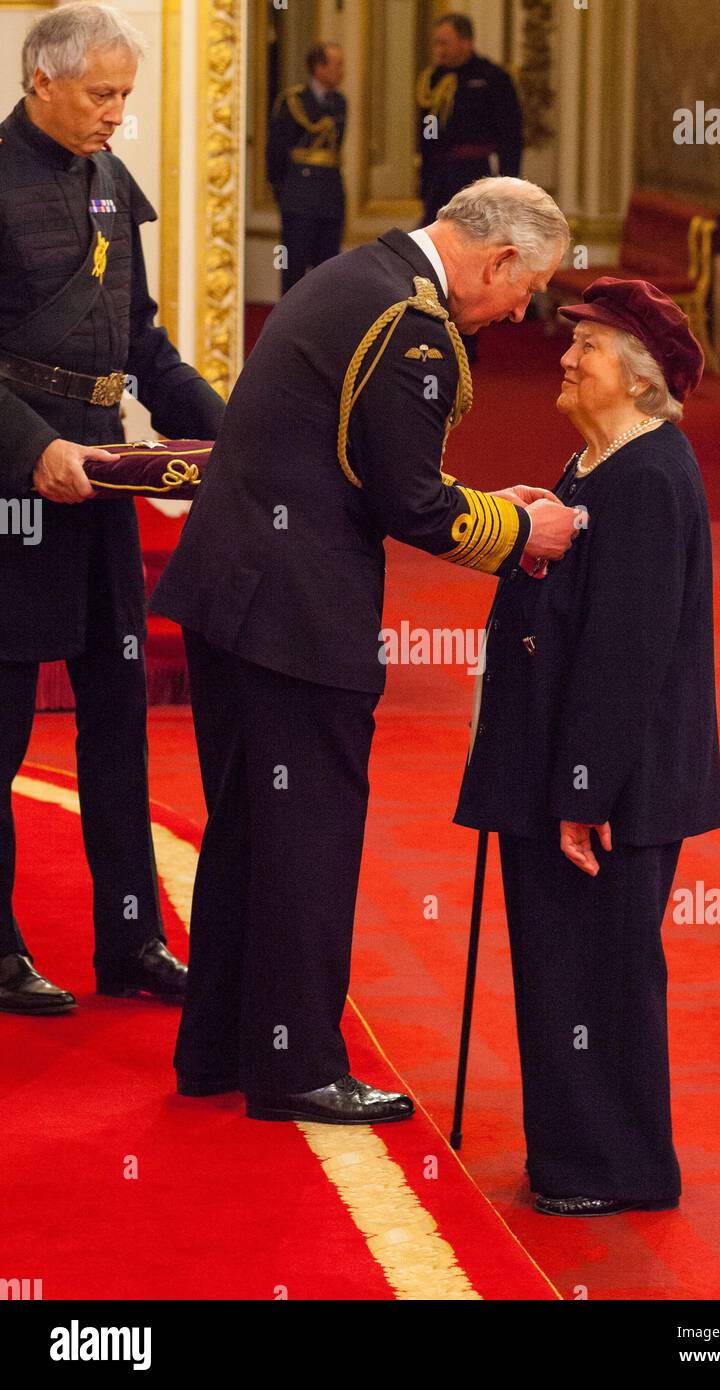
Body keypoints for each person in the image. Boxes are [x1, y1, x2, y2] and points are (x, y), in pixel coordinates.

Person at [150, 178, 579, 1124]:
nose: (521, 311)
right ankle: (298, 1067)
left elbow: (372, 459)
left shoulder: (362, 273)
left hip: (234, 595)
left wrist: (486, 503)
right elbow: (410, 504)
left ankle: (219, 1046)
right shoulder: (414, 325)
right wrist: (518, 537)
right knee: (308, 842)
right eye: (528, 288)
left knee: (248, 835)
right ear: (499, 257)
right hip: (293, 617)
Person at [455, 278, 720, 1215]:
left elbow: (626, 657)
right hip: (571, 775)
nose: (566, 360)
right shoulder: (594, 463)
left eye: (591, 349)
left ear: (641, 381)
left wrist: (581, 795)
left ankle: (614, 1167)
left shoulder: (648, 477)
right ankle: (575, 1155)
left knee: (596, 978)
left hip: (613, 792)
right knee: (564, 968)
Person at [0, 4, 225, 1017]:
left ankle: (131, 939)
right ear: (39, 80)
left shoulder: (106, 187)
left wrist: (236, 438)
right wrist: (32, 448)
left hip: (104, 490)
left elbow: (148, 348)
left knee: (119, 721)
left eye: (128, 95)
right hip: (13, 492)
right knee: (1, 734)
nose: (116, 115)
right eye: (103, 95)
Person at [416, 13, 522, 225]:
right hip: (440, 175)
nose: (439, 50)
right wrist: (425, 175)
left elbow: (510, 135)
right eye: (436, 44)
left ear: (466, 43)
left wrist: (507, 184)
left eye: (445, 43)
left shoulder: (493, 77)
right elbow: (429, 129)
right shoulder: (433, 79)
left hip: (477, 174)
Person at [266, 43, 347, 298]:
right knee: (294, 266)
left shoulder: (339, 102)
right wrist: (283, 192)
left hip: (330, 195)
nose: (341, 71)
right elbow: (276, 152)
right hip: (299, 196)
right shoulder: (293, 101)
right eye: (337, 65)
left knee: (328, 268)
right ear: (319, 67)